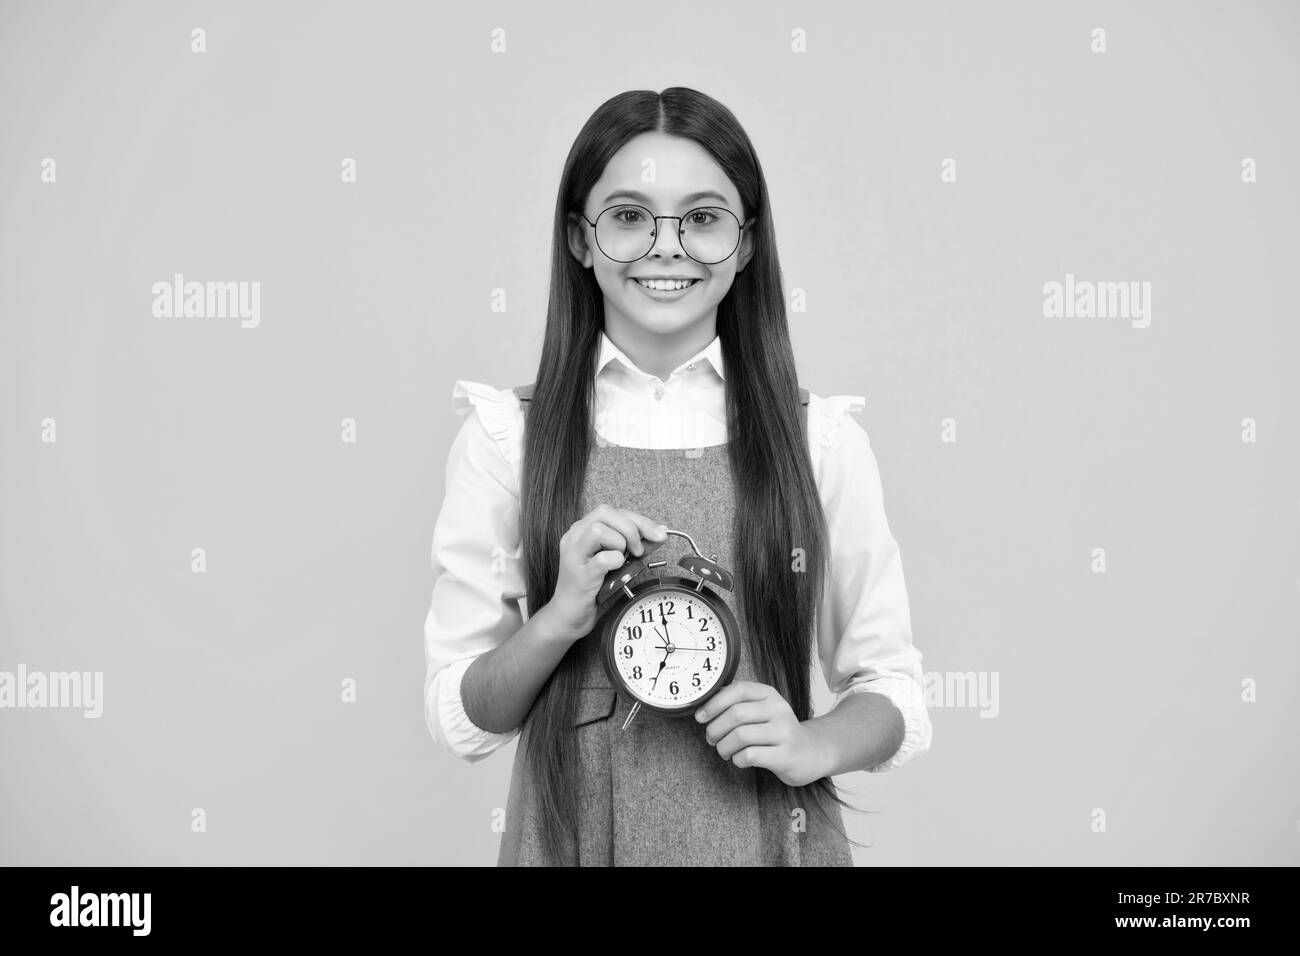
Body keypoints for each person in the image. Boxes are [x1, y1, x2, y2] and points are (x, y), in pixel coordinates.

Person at [424, 87, 931, 866]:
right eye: (629, 216)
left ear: (747, 243)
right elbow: (465, 718)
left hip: (768, 839)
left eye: (701, 218)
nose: (668, 246)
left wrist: (811, 742)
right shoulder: (507, 439)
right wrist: (559, 614)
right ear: (580, 240)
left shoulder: (820, 441)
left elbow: (890, 687)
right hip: (572, 842)